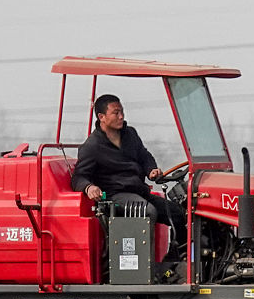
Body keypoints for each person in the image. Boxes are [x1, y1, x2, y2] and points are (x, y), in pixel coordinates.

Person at [71, 94, 186, 259]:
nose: (121, 116)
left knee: (178, 213)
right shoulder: (91, 147)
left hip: (139, 191)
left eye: (122, 111)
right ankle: (144, 270)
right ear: (101, 117)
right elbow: (78, 177)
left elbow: (144, 155)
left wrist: (151, 169)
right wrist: (89, 187)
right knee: (148, 211)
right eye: (116, 113)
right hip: (115, 195)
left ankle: (175, 262)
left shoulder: (130, 134)